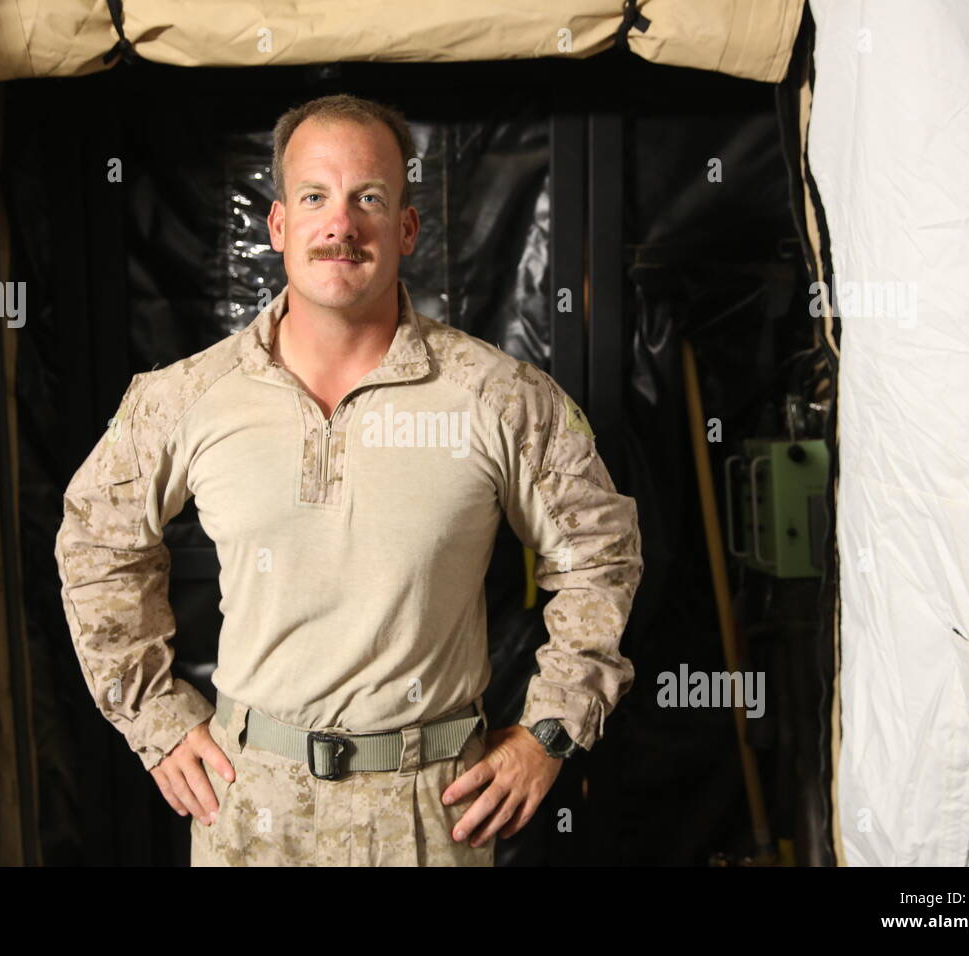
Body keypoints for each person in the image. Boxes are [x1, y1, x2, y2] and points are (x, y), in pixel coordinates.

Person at [53, 93, 644, 866]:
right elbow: (96, 541)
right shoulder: (185, 398)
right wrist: (157, 718)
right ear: (278, 226)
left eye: (369, 197)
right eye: (314, 197)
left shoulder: (502, 398)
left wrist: (551, 731)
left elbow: (599, 555)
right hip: (251, 808)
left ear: (406, 227)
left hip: (431, 814)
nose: (341, 224)